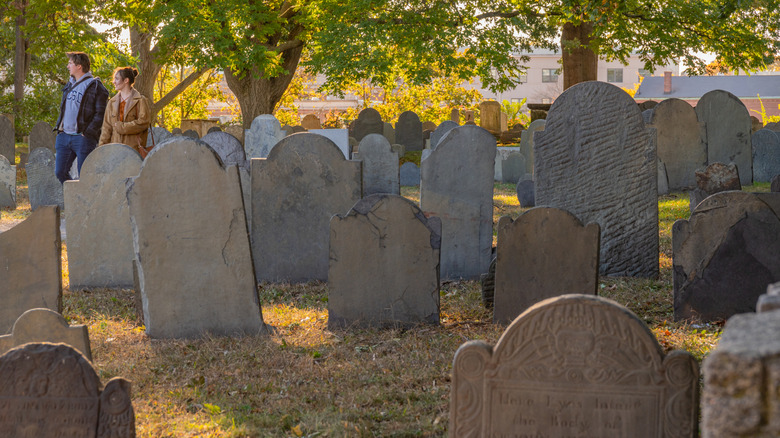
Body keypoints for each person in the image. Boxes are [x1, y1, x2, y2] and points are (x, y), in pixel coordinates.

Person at [54, 51, 109, 183]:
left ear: (79, 66)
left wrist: (88, 132)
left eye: (70, 63)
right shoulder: (69, 85)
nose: (68, 66)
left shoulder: (96, 87)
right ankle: (75, 198)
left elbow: (100, 114)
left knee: (86, 176)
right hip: (64, 136)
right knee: (60, 172)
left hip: (83, 138)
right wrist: (60, 131)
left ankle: (87, 203)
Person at [99, 66, 151, 157]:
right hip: (114, 151)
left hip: (133, 152)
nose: (113, 81)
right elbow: (106, 128)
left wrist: (122, 127)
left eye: (117, 79)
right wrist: (101, 149)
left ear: (126, 80)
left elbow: (144, 122)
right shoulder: (112, 102)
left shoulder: (140, 100)